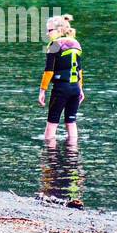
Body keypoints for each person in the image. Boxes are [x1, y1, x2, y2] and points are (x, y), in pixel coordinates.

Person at [38, 13, 83, 146]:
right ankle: (73, 156)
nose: (47, 33)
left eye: (49, 30)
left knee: (52, 124)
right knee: (71, 122)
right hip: (75, 88)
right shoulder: (76, 43)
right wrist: (80, 89)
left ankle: (50, 157)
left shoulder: (54, 45)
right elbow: (79, 70)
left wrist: (42, 91)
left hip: (61, 89)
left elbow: (49, 71)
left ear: (59, 30)